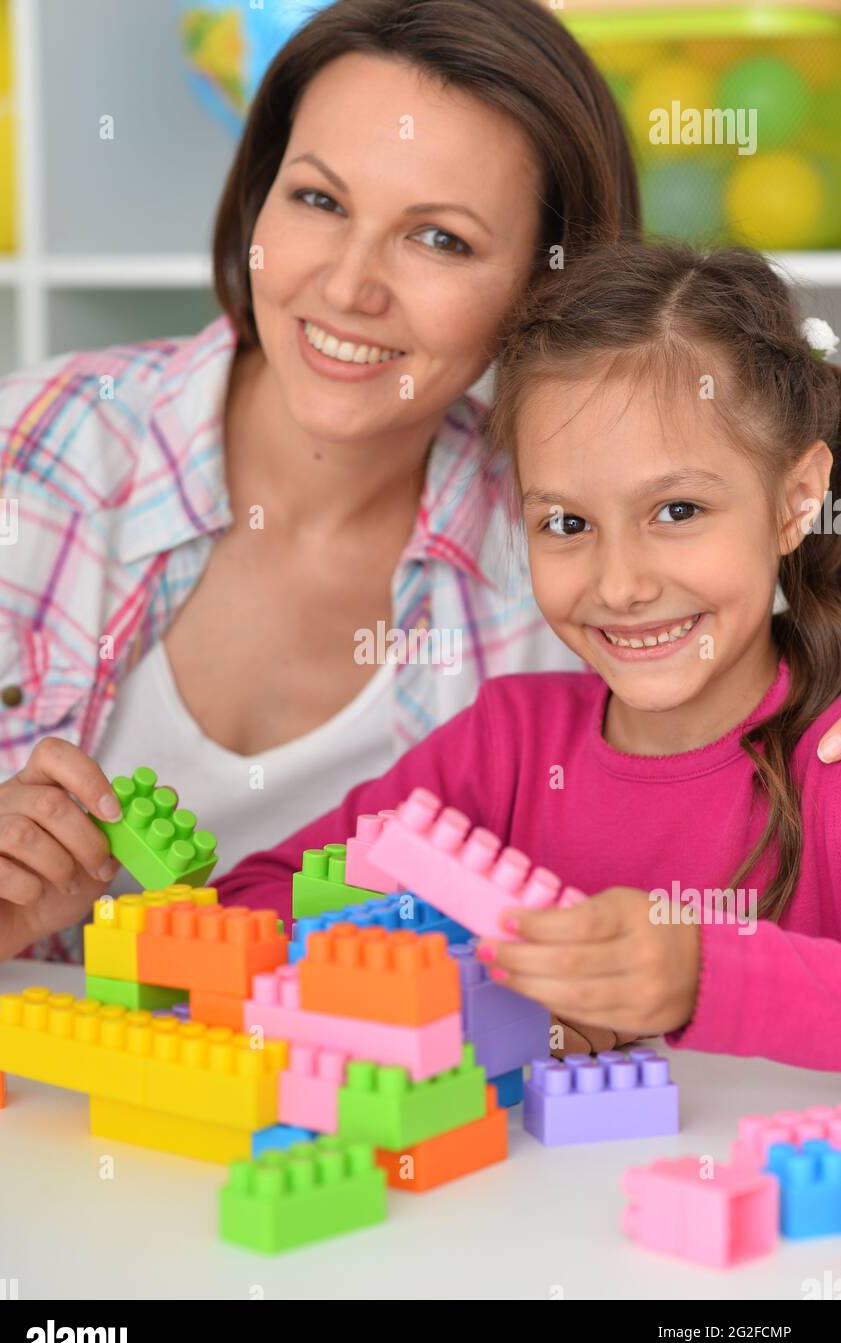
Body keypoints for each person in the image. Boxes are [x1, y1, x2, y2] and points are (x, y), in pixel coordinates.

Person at [0, 0, 641, 968]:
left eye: (440, 239)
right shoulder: (25, 451)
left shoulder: (570, 577)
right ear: (257, 202)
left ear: (544, 292)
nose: (348, 287)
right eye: (320, 202)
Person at [211, 240, 841, 1070]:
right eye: (567, 525)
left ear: (795, 501)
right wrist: (474, 994)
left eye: (677, 509)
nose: (619, 585)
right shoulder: (506, 744)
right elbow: (249, 904)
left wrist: (700, 976)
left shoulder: (827, 760)